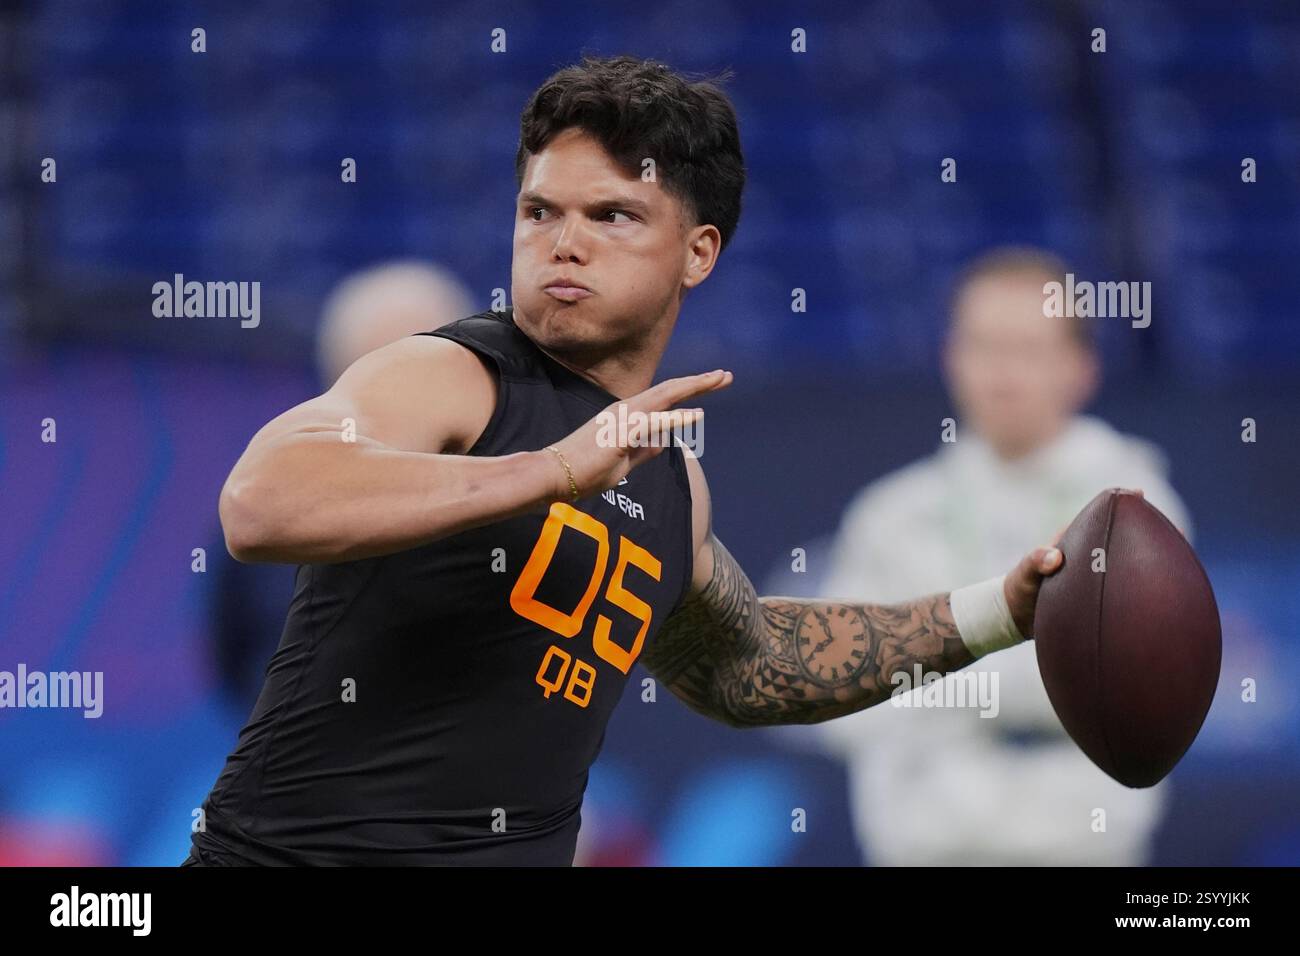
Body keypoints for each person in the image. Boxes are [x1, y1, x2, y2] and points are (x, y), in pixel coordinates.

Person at [185, 56, 1081, 866]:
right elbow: (261, 502)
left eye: (612, 215)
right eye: (540, 212)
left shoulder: (664, 479)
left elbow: (752, 664)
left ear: (699, 252)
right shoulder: (452, 373)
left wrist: (996, 612)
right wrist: (547, 473)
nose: (563, 243)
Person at [804, 247, 1192, 865]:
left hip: (1082, 849)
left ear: (1081, 366)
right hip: (928, 848)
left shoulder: (1138, 510)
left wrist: (934, 674)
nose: (1002, 372)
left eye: (1028, 349)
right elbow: (831, 694)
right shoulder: (890, 514)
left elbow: (1139, 689)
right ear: (951, 357)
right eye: (984, 345)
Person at [208, 261, 473, 713]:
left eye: (426, 373)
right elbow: (234, 662)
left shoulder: (536, 508)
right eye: (377, 377)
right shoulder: (268, 515)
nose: (405, 403)